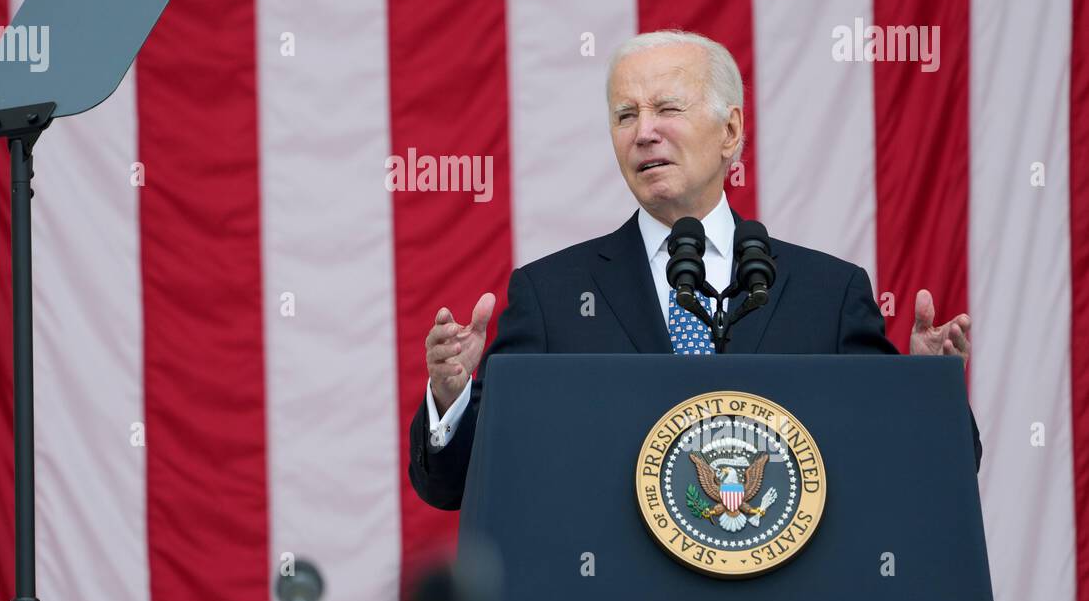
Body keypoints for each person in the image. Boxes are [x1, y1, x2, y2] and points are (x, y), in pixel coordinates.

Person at [409, 30, 978, 511]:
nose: (643, 132)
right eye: (625, 115)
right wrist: (451, 397)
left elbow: (919, 475)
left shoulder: (828, 295)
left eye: (667, 108)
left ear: (730, 131)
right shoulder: (552, 296)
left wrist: (929, 392)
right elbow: (455, 485)